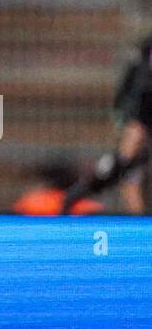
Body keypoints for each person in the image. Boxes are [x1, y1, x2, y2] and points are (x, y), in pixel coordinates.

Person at [63, 34, 152, 214]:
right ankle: (138, 222)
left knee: (128, 164)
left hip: (139, 116)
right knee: (128, 165)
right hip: (141, 116)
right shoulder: (143, 60)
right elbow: (133, 95)